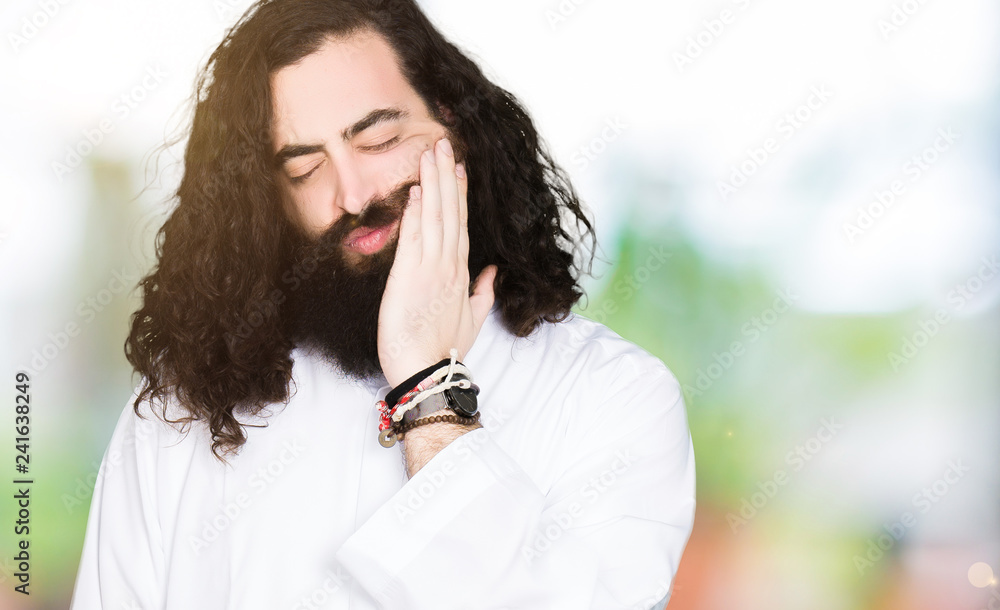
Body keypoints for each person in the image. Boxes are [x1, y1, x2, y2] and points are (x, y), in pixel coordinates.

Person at [70, 0, 696, 608]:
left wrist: (430, 391)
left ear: (454, 123)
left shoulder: (614, 395)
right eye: (304, 168)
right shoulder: (181, 416)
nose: (351, 194)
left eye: (379, 139)